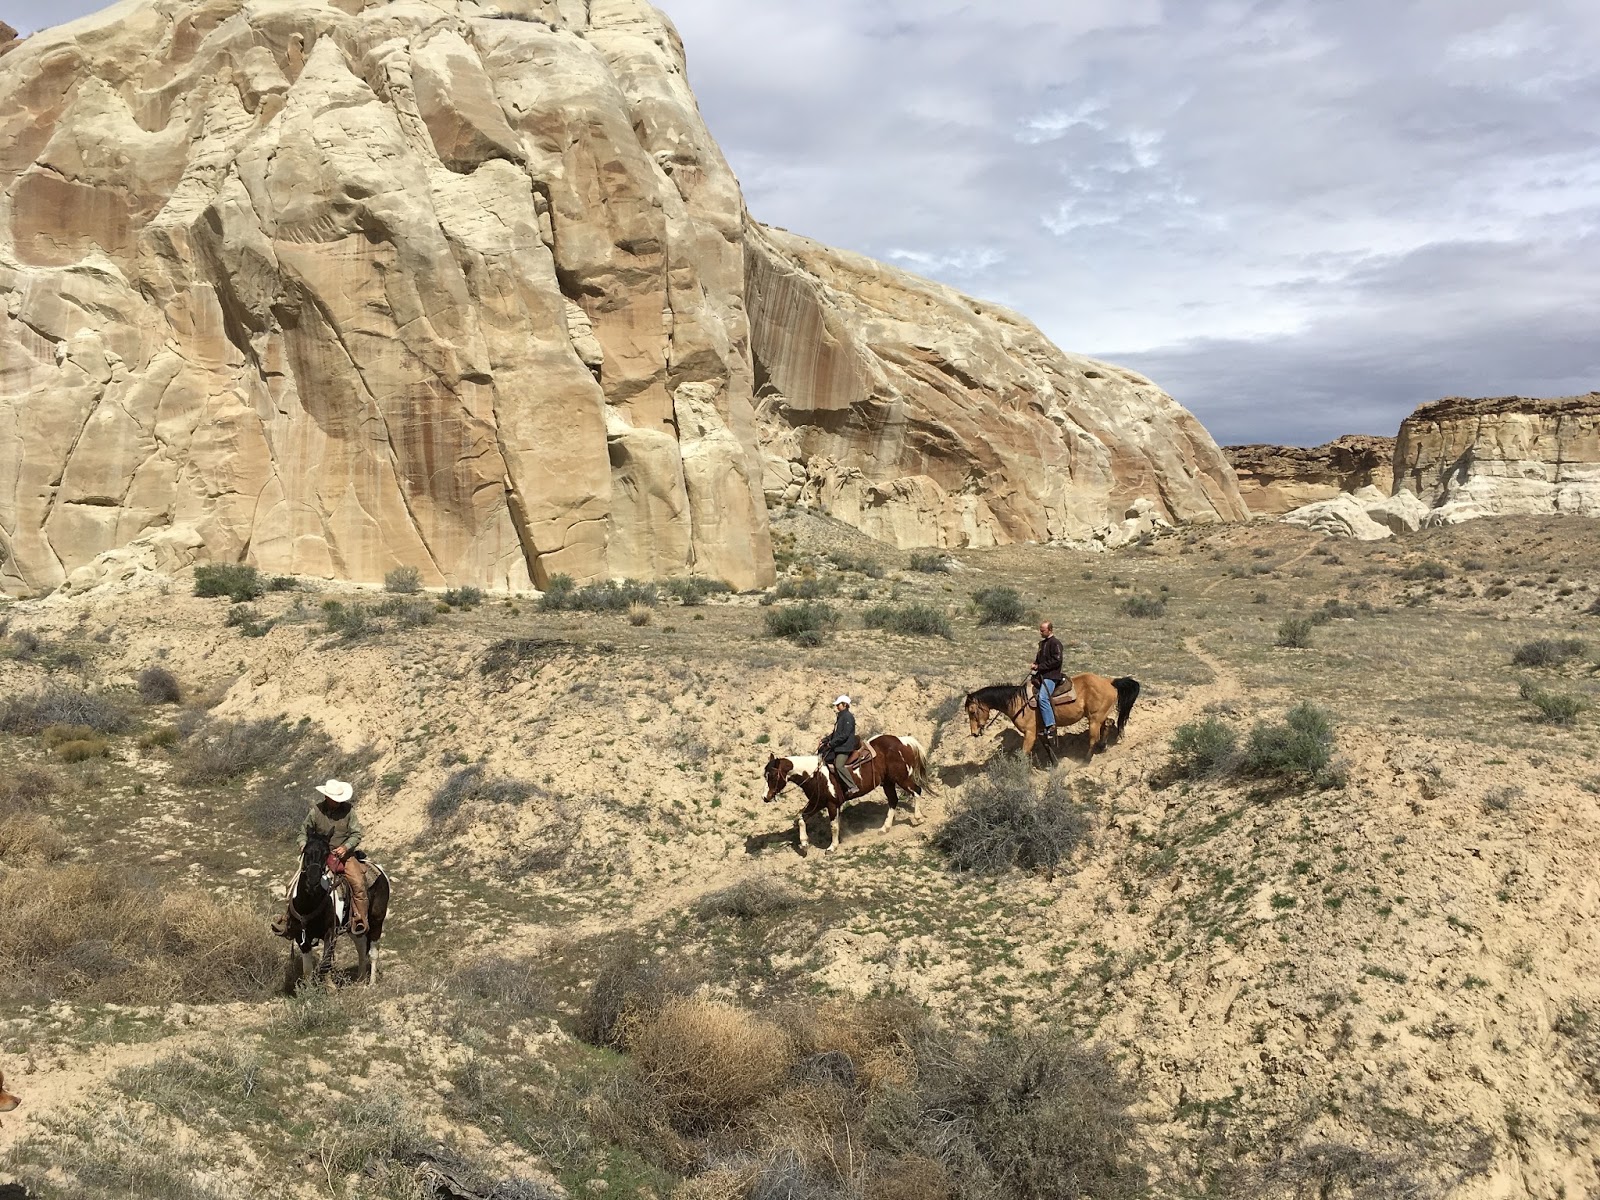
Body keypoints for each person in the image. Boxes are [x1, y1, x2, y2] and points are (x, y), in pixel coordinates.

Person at [299, 779, 370, 935]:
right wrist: (304, 844)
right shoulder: (316, 811)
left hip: (343, 855)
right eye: (335, 799)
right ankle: (289, 919)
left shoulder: (349, 812)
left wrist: (346, 847)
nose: (339, 802)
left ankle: (359, 919)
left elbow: (356, 833)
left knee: (358, 883)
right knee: (295, 882)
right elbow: (303, 831)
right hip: (317, 853)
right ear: (327, 797)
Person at [1030, 621, 1075, 739]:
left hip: (1051, 676)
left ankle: (1051, 726)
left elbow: (1057, 660)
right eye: (1040, 630)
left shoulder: (1055, 643)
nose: (1040, 632)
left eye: (1042, 630)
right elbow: (1040, 659)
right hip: (1041, 676)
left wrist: (1040, 667)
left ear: (1050, 630)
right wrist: (1035, 664)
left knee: (1043, 698)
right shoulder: (1043, 644)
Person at [817, 694, 859, 800]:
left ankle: (852, 786)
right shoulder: (841, 717)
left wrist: (831, 744)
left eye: (838, 704)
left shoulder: (848, 717)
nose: (837, 706)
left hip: (845, 747)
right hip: (839, 745)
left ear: (844, 705)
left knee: (839, 765)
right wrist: (824, 740)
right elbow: (835, 734)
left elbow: (844, 735)